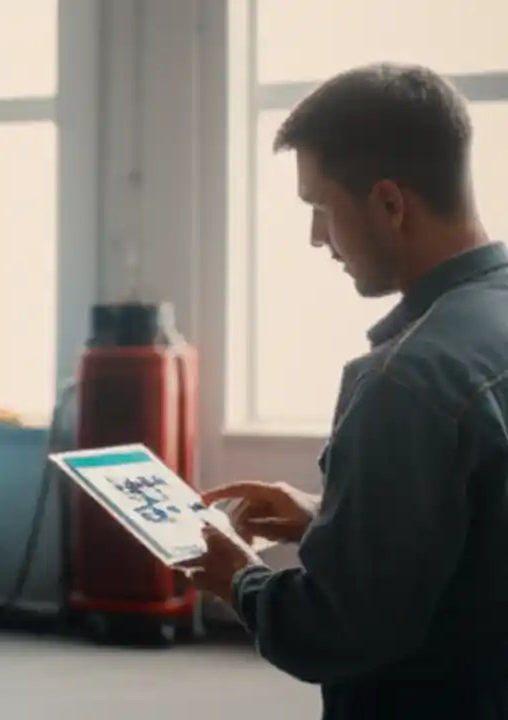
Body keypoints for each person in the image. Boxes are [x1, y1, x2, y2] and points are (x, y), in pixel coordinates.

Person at [179, 62, 508, 719]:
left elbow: (339, 629)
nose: (315, 238)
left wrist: (236, 579)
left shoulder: (407, 380)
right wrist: (330, 517)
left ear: (390, 203)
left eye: (320, 208)